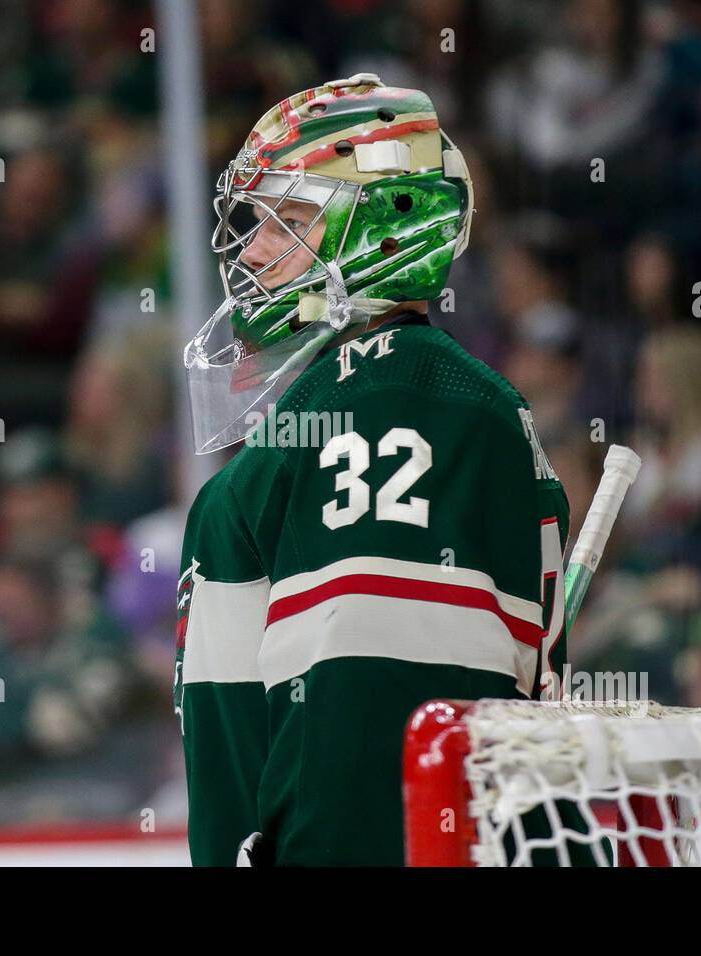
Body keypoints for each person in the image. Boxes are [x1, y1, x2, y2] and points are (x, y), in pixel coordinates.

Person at [175, 74, 575, 866]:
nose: (252, 251)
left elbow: (365, 728)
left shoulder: (398, 403)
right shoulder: (388, 406)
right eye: (256, 223)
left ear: (389, 228)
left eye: (286, 221)